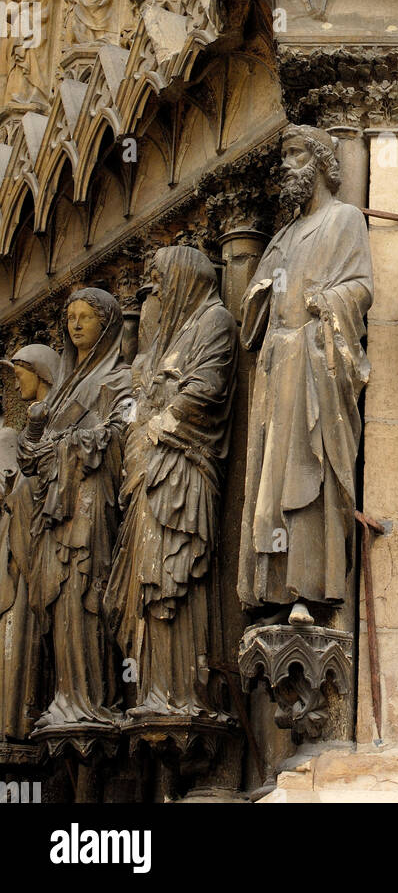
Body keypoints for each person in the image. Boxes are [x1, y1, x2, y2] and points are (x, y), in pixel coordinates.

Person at [239, 128, 373, 621]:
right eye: (285, 156)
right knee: (272, 481)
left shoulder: (345, 221)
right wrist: (261, 294)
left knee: (310, 472)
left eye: (295, 154)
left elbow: (360, 286)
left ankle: (311, 584)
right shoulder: (281, 236)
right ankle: (275, 585)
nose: (286, 165)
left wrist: (324, 304)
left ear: (319, 161)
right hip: (278, 365)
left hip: (317, 363)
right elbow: (251, 309)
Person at [106, 247, 237, 717]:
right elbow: (139, 401)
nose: (157, 290)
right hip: (150, 473)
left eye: (161, 279)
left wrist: (160, 418)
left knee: (174, 576)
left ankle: (183, 691)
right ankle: (152, 690)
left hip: (184, 471)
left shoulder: (215, 321)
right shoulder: (166, 336)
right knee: (145, 584)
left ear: (184, 277)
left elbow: (206, 388)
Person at [20, 289, 132, 731]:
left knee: (85, 596)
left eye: (86, 317)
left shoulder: (118, 378)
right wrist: (33, 426)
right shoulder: (63, 386)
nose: (76, 325)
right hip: (54, 513)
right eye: (70, 318)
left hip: (89, 509)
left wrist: (66, 445)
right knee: (57, 605)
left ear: (106, 325)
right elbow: (31, 459)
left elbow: (122, 433)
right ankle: (66, 696)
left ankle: (92, 698)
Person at [0, 345, 59, 740]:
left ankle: (17, 725)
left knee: (18, 638)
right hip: (17, 546)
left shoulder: (10, 436)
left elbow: (18, 486)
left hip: (25, 553)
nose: (17, 380)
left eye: (22, 371)